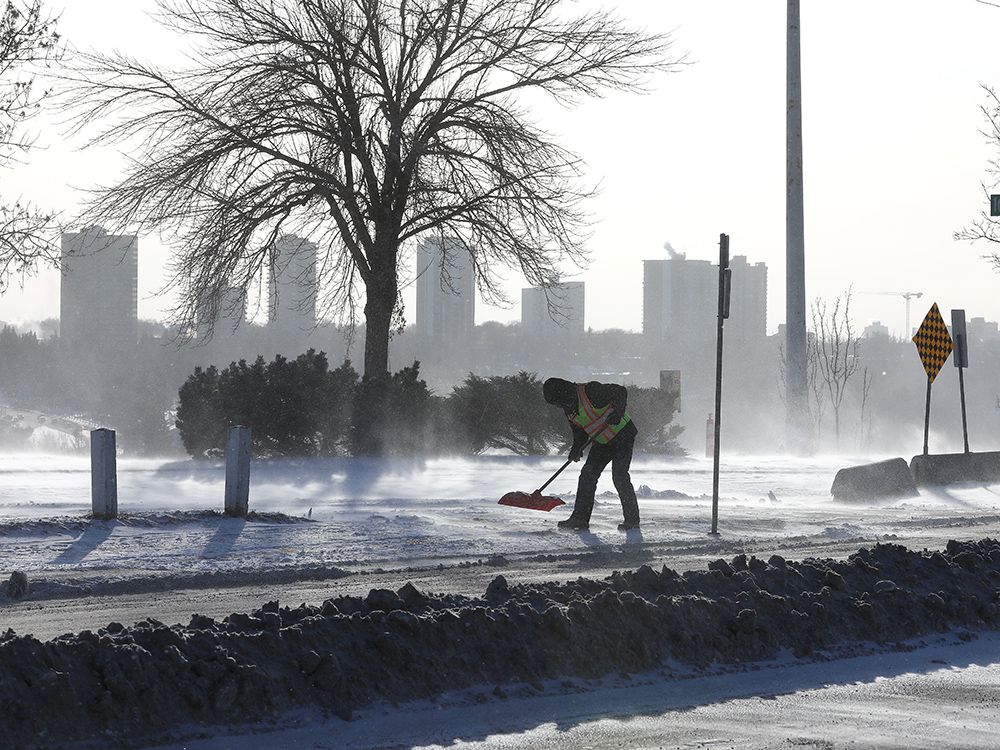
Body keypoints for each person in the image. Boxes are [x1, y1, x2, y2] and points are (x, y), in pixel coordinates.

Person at [542, 377, 640, 531]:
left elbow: (620, 391)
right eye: (556, 404)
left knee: (620, 476)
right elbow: (580, 432)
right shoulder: (569, 409)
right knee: (587, 475)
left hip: (623, 436)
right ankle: (580, 519)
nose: (559, 406)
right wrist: (576, 448)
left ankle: (632, 521)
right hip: (602, 442)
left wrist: (618, 412)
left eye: (558, 401)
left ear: (564, 392)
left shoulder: (591, 391)